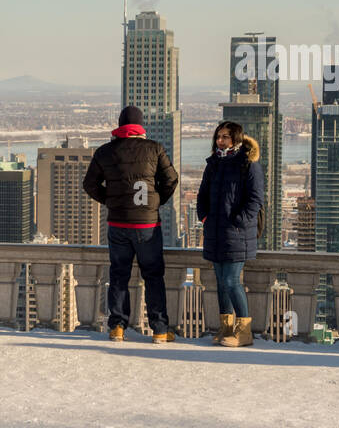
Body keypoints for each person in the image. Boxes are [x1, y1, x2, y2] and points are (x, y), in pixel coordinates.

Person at [83, 105, 180, 343]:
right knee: (153, 276)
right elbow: (171, 180)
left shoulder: (105, 151)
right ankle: (159, 329)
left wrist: (110, 201)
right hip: (147, 226)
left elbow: (89, 184)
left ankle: (117, 327)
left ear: (120, 125)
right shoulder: (154, 149)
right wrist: (155, 202)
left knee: (118, 275)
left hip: (118, 223)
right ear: (140, 126)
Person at [198, 121, 265, 347]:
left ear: (236, 139)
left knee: (231, 280)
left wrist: (238, 222)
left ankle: (244, 332)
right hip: (215, 231)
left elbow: (255, 199)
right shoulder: (214, 163)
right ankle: (226, 329)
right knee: (220, 282)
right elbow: (203, 193)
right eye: (218, 136)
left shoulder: (248, 163)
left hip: (236, 234)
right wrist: (204, 216)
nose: (220, 140)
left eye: (225, 137)